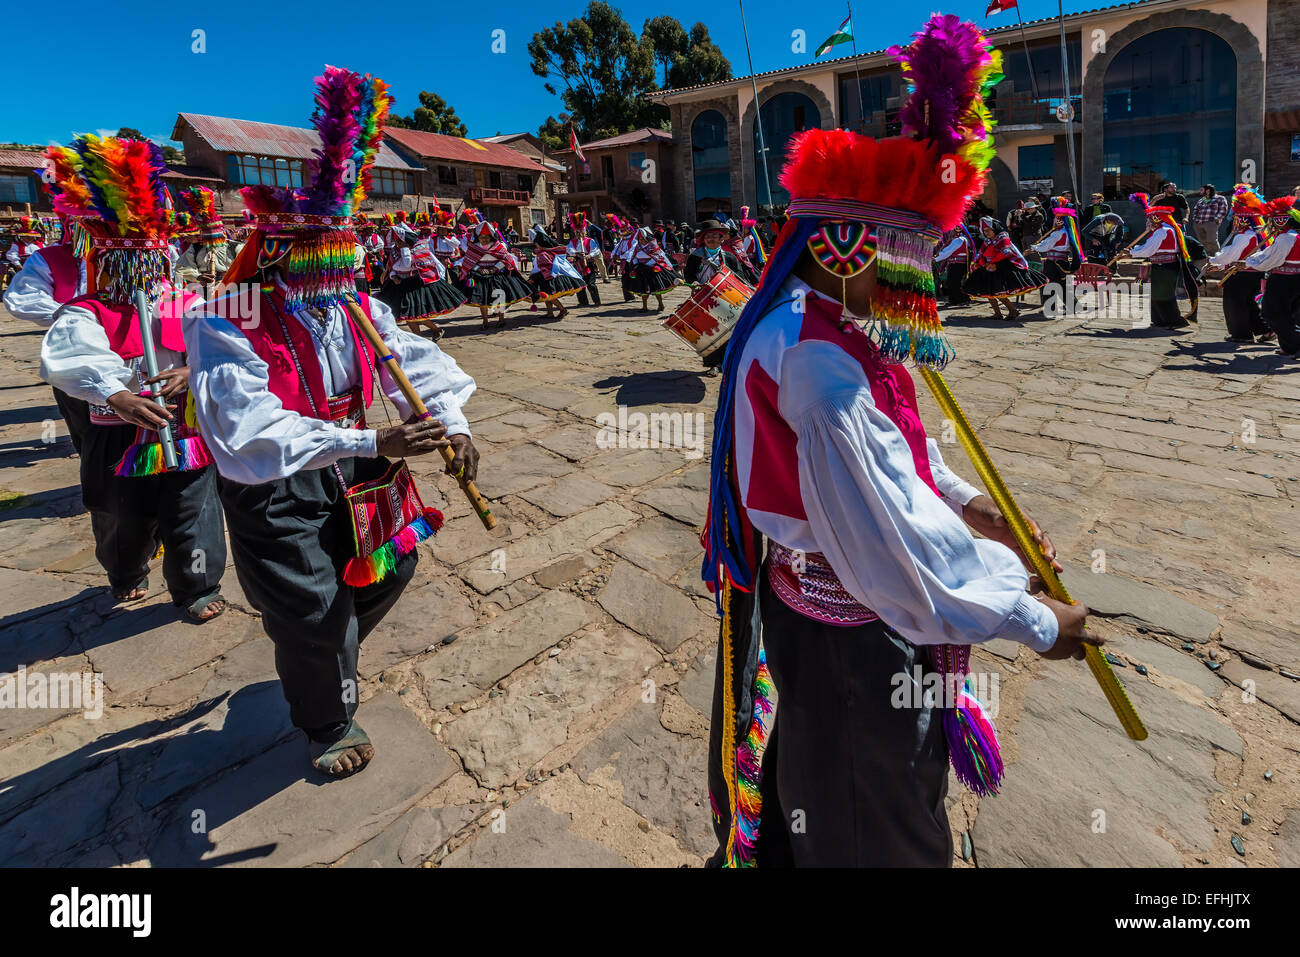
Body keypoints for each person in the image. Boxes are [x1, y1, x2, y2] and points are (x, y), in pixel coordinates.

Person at [702, 14, 1092, 869]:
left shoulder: (843, 326)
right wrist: (1033, 617)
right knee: (876, 828)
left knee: (859, 800)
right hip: (852, 633)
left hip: (853, 613)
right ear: (842, 246)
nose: (919, 279)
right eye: (904, 255)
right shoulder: (816, 359)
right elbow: (893, 539)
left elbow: (906, 466)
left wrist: (973, 507)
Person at [188, 66, 480, 777]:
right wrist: (371, 438)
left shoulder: (357, 305)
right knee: (314, 605)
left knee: (391, 561)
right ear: (282, 251)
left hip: (355, 467)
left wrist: (450, 420)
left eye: (344, 255)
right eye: (323, 257)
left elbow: (409, 360)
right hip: (278, 478)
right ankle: (326, 718)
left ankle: (322, 647)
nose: (339, 274)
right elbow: (244, 428)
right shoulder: (226, 319)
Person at [38, 135, 227, 619]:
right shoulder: (85, 311)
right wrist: (116, 393)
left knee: (194, 512)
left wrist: (191, 368)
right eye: (127, 264)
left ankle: (196, 586)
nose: (142, 277)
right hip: (116, 432)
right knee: (121, 517)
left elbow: (220, 343)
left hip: (181, 426)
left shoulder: (183, 302)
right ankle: (127, 571)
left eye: (149, 265)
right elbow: (71, 357)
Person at [3, 211, 92, 452]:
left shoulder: (137, 256)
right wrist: (76, 316)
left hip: (134, 361)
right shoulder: (49, 258)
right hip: (73, 358)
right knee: (87, 435)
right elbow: (23, 299)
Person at [376, 212, 466, 340]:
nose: (396, 243)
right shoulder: (395, 251)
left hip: (414, 286)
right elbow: (392, 267)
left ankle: (427, 335)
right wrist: (393, 276)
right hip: (399, 286)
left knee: (413, 316)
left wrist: (405, 248)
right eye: (395, 241)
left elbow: (407, 264)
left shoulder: (417, 249)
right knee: (409, 317)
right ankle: (430, 333)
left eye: (398, 240)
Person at [1207, 185, 1271, 344]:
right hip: (1249, 273)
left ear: (1243, 219)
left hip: (1241, 275)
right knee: (1249, 304)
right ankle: (1265, 331)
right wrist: (1221, 266)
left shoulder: (1245, 236)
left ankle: (1242, 335)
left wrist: (1213, 260)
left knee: (1235, 304)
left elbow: (1231, 255)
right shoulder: (1251, 234)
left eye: (1236, 218)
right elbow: (1232, 255)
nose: (1234, 220)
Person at [1129, 191, 1199, 330]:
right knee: (1157, 294)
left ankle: (1174, 321)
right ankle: (1160, 320)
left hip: (1165, 266)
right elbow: (1147, 247)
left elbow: (1149, 250)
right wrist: (1133, 250)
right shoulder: (1164, 229)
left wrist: (1131, 253)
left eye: (1150, 219)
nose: (1148, 222)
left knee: (1164, 295)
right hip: (1162, 266)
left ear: (1156, 218)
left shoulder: (1162, 231)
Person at [1245, 196, 1300, 357]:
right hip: (1294, 280)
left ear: (1281, 221)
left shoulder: (1285, 238)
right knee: (1288, 314)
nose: (1270, 225)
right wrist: (1248, 261)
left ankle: (1296, 344)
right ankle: (1288, 347)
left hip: (1284, 281)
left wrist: (1249, 262)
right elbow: (1267, 254)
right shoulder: (1289, 236)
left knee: (1272, 313)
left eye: (1273, 221)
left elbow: (1271, 260)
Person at [458, 212, 533, 329]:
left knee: (499, 298)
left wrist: (493, 268)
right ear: (478, 237)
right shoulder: (473, 247)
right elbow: (469, 262)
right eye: (481, 237)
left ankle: (501, 319)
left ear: (491, 236)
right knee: (481, 301)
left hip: (497, 275)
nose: (484, 240)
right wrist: (480, 269)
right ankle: (485, 321)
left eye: (486, 237)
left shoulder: (498, 246)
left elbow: (506, 260)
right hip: (480, 276)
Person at [964, 216, 1044, 320]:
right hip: (988, 268)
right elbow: (982, 254)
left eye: (988, 230)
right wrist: (981, 263)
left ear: (995, 229)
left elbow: (1005, 252)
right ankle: (998, 313)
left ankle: (1012, 311)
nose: (986, 232)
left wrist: (991, 262)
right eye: (984, 231)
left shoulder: (1003, 237)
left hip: (1000, 268)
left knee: (998, 292)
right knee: (988, 292)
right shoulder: (987, 241)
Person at [173, 187, 232, 286]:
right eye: (207, 234)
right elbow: (181, 267)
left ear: (222, 232)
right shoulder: (195, 248)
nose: (212, 237)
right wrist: (198, 276)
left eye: (215, 233)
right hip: (204, 290)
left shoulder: (233, 247)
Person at [1031, 199, 1082, 307]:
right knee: (1063, 285)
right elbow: (1046, 243)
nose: (1054, 221)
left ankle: (1051, 307)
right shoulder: (1067, 233)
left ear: (1060, 221)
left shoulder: (1058, 233)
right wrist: (1036, 247)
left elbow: (1046, 246)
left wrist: (1034, 248)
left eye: (1056, 219)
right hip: (1063, 262)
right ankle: (1073, 306)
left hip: (1053, 264)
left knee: (1049, 284)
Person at [527, 226, 585, 319]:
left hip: (547, 277)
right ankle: (550, 313)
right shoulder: (546, 252)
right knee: (546, 296)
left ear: (539, 244)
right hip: (546, 277)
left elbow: (544, 268)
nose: (535, 245)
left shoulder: (543, 254)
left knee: (550, 296)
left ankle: (562, 310)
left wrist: (533, 279)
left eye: (536, 243)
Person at [626, 226, 683, 312]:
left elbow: (657, 257)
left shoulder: (652, 245)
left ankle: (660, 305)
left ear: (646, 238)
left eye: (642, 238)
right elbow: (634, 256)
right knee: (643, 289)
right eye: (639, 238)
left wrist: (647, 265)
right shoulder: (637, 247)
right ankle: (644, 307)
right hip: (641, 269)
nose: (640, 240)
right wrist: (636, 264)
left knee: (657, 289)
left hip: (652, 269)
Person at [683, 219, 745, 285]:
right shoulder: (695, 256)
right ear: (703, 239)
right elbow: (688, 274)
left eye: (714, 236)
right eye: (707, 236)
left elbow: (740, 275)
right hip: (701, 292)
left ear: (721, 239)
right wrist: (694, 282)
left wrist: (731, 275)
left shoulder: (729, 257)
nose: (710, 239)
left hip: (724, 291)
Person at [566, 212, 603, 307]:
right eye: (577, 232)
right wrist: (576, 253)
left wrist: (589, 256)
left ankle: (597, 301)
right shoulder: (572, 242)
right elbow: (569, 249)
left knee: (591, 284)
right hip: (578, 264)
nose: (579, 234)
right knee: (579, 284)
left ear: (585, 231)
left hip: (589, 264)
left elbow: (596, 250)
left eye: (581, 232)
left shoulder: (590, 241)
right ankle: (583, 302)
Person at [934, 224, 975, 305]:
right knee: (952, 283)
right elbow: (946, 250)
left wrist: (936, 259)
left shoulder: (959, 240)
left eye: (952, 230)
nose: (950, 232)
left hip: (958, 265)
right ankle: (954, 300)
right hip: (955, 264)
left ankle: (962, 299)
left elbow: (948, 251)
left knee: (954, 283)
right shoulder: (956, 239)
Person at [1191, 185, 1229, 257]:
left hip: (1211, 223)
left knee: (1212, 241)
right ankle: (1207, 257)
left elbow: (1223, 210)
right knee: (1202, 242)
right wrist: (1195, 220)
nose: (1200, 191)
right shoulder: (1201, 200)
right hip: (1198, 223)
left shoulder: (1220, 198)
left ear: (1208, 191)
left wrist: (1215, 219)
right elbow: (1196, 209)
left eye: (1202, 190)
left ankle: (1216, 257)